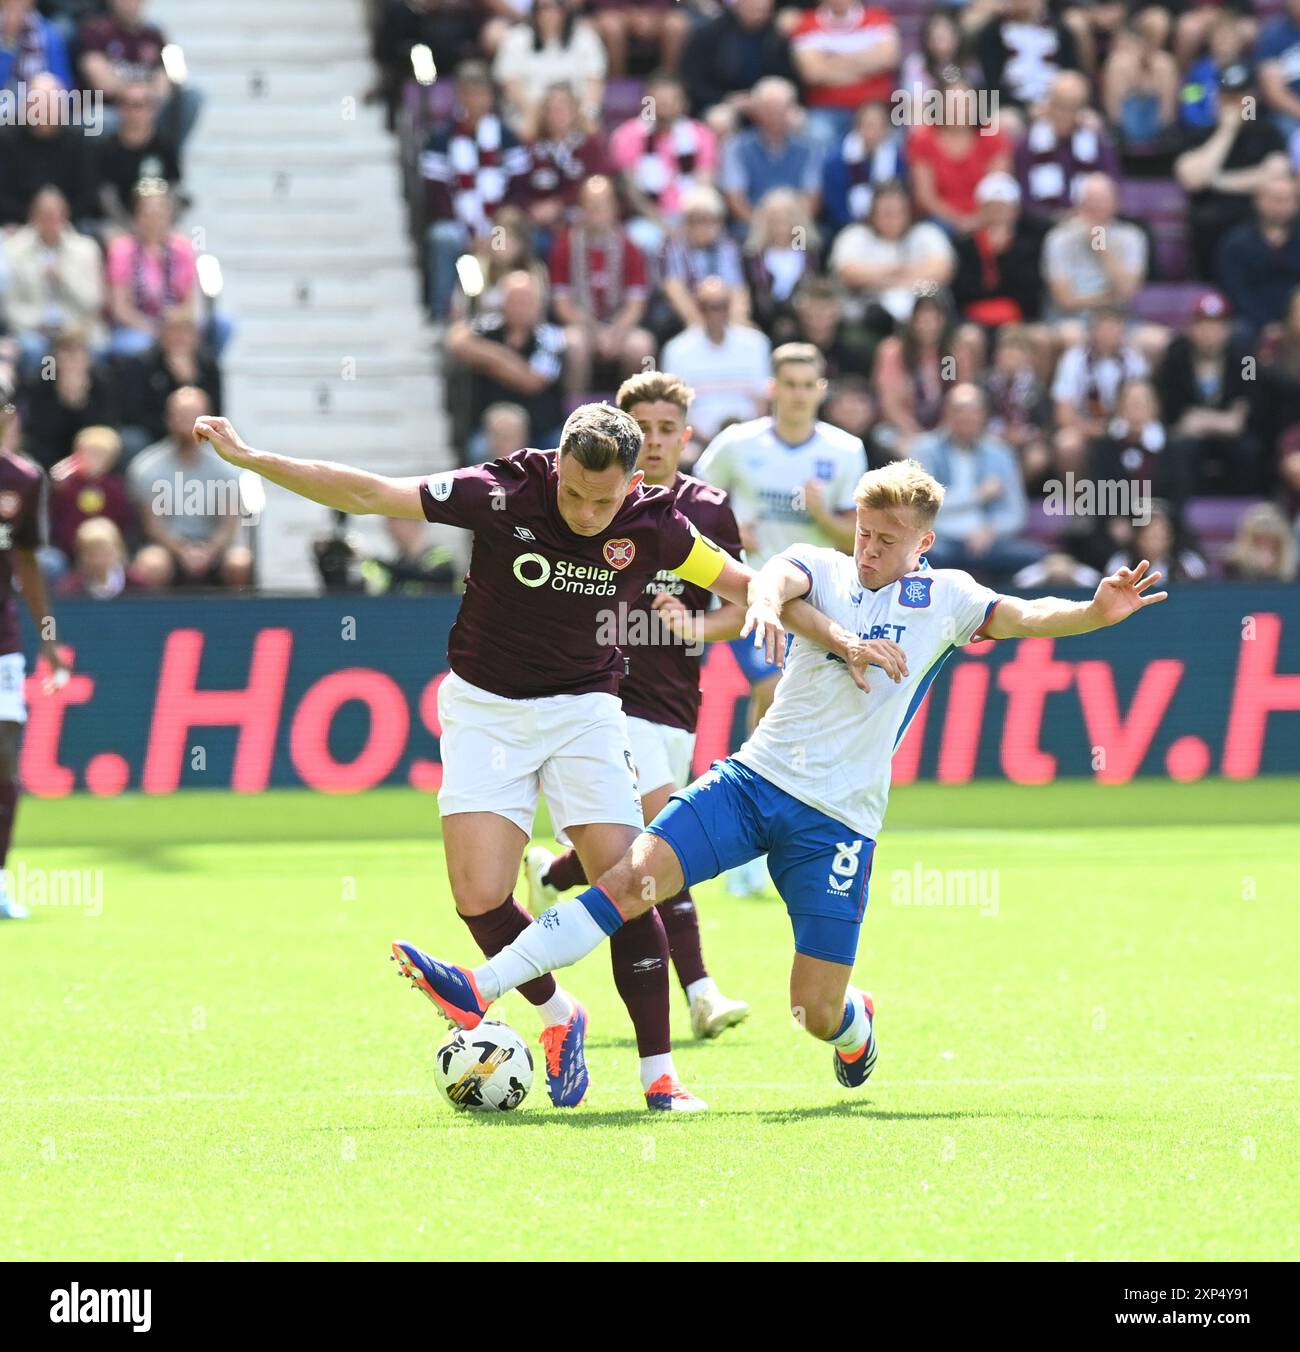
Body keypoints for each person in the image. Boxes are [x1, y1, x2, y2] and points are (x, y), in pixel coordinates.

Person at [393, 459, 1168, 1095]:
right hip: (749, 783)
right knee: (631, 881)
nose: (868, 549)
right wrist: (764, 599)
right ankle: (481, 984)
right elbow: (770, 583)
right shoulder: (825, 568)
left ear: (922, 542)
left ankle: (854, 1024)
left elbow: (1028, 617)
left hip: (838, 821)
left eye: (887, 539)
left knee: (813, 1009)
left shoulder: (949, 599)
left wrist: (1092, 615)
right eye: (864, 532)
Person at [193, 401, 862, 1110]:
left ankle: (658, 1076)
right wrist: (254, 461)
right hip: (485, 709)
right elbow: (368, 493)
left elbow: (746, 582)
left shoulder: (657, 524)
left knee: (628, 884)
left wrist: (842, 638)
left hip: (586, 712)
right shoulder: (504, 490)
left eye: (600, 499)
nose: (580, 509)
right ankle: (556, 1014)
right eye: (571, 491)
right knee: (478, 894)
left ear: (634, 483)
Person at [526, 371, 751, 1040]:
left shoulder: (708, 510)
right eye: (641, 430)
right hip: (603, 696)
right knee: (666, 837)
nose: (652, 443)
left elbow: (741, 610)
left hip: (675, 703)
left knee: (633, 852)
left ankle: (553, 871)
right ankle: (702, 992)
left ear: (684, 436)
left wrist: (696, 628)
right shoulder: (594, 500)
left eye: (664, 431)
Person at [692, 343, 865, 889]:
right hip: (754, 591)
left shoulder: (845, 451)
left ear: (820, 389)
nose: (796, 394)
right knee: (769, 691)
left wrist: (820, 515)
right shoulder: (738, 444)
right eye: (787, 383)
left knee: (797, 712)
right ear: (773, 388)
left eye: (806, 384)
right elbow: (692, 501)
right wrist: (728, 531)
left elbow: (859, 536)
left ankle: (772, 831)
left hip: (818, 599)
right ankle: (743, 839)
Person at [0, 378, 70, 919]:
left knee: (4, 759)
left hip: (3, 641)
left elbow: (26, 562)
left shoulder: (23, 479)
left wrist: (47, 639)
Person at [126, 387, 252, 588]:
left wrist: (209, 551)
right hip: (167, 548)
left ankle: (235, 617)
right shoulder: (146, 467)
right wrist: (183, 551)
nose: (187, 422)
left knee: (239, 562)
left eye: (194, 416)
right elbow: (153, 526)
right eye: (181, 415)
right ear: (168, 418)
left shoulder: (228, 468)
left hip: (215, 547)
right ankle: (152, 618)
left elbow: (230, 523)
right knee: (152, 563)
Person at [1175, 64, 1289, 281]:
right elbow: (1193, 179)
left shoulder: (1268, 134)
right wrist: (1227, 131)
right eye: (1228, 97)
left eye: (1241, 97)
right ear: (1217, 98)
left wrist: (1216, 180)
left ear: (1252, 98)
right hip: (1211, 226)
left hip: (1257, 222)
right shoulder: (1198, 135)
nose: (1235, 105)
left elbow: (1277, 177)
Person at [913, 382, 1038, 579]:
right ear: (947, 414)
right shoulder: (925, 450)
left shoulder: (1000, 453)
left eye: (974, 411)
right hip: (940, 539)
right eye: (960, 410)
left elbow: (1015, 511)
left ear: (983, 416)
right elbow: (920, 507)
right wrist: (977, 496)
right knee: (920, 555)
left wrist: (991, 531)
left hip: (988, 540)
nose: (967, 417)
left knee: (1035, 557)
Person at [547, 176, 654, 399]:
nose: (597, 211)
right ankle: (574, 417)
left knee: (641, 346)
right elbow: (562, 304)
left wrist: (615, 333)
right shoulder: (565, 245)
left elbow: (636, 304)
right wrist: (595, 332)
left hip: (619, 326)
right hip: (582, 325)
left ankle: (635, 417)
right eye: (591, 205)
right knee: (574, 344)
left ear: (614, 207)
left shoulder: (630, 246)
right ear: (581, 208)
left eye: (603, 204)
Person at [447, 270, 567, 455]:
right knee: (498, 428)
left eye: (526, 300)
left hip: (540, 427)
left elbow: (532, 381)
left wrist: (488, 360)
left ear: (538, 305)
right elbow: (456, 340)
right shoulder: (488, 327)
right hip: (488, 425)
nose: (520, 307)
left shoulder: (551, 337)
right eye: (514, 300)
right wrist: (504, 358)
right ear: (502, 303)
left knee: (510, 424)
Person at [828, 179, 957, 329]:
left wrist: (883, 279)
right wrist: (904, 273)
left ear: (908, 211)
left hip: (922, 318)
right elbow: (849, 274)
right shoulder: (854, 235)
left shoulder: (927, 233)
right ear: (872, 213)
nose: (892, 219)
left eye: (898, 212)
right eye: (886, 213)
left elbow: (942, 271)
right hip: (869, 318)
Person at [1, 187, 106, 368]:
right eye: (44, 215)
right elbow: (8, 307)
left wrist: (64, 278)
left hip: (76, 328)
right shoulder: (13, 250)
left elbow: (93, 302)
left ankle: (85, 395)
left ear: (65, 216)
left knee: (99, 349)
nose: (50, 221)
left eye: (55, 215)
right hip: (33, 329)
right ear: (33, 216)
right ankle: (38, 395)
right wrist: (37, 324)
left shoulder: (86, 249)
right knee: (34, 351)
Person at [659, 276, 773, 442]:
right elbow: (676, 407)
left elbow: (763, 400)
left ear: (729, 307)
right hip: (696, 441)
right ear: (698, 308)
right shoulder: (676, 349)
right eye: (709, 307)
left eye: (722, 306)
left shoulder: (756, 343)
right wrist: (707, 440)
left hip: (750, 438)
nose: (716, 313)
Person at [788, 0, 900, 157]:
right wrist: (867, 65)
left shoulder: (878, 17)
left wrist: (832, 61)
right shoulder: (806, 23)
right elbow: (813, 73)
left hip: (874, 108)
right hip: (826, 110)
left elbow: (888, 59)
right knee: (817, 135)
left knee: (895, 143)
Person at [105, 181, 198, 357]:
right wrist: (152, 329)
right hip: (135, 325)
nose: (154, 220)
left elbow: (189, 304)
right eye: (148, 214)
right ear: (136, 217)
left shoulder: (182, 247)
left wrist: (172, 326)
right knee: (138, 345)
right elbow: (120, 308)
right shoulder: (122, 248)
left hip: (174, 325)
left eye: (160, 213)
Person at [718, 76, 823, 226]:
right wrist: (765, 229)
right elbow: (735, 200)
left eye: (780, 110)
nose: (774, 117)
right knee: (745, 239)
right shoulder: (736, 147)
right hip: (753, 224)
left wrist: (788, 228)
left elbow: (812, 200)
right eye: (768, 110)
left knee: (803, 242)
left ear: (792, 111)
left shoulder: (810, 148)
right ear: (756, 111)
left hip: (797, 224)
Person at [492, 0, 606, 134]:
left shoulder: (585, 38)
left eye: (555, 7)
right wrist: (539, 116)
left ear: (564, 11)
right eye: (544, 8)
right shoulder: (516, 39)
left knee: (592, 125)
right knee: (524, 126)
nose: (550, 14)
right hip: (531, 115)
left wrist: (585, 115)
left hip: (575, 116)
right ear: (535, 12)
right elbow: (511, 85)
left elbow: (594, 84)